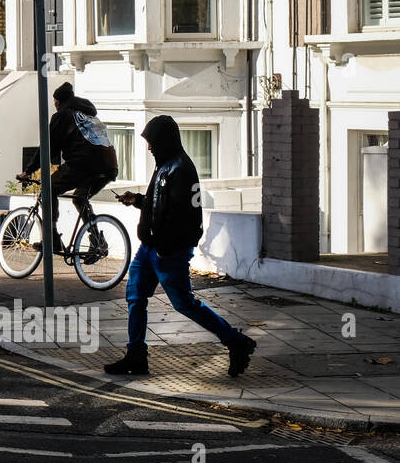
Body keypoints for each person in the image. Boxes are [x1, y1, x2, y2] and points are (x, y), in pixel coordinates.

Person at [106, 115, 257, 377]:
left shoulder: (182, 169)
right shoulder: (164, 165)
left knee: (184, 304)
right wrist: (138, 200)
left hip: (167, 252)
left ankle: (236, 341)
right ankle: (136, 355)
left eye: (152, 142)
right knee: (135, 297)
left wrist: (168, 248)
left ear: (164, 140)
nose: (150, 147)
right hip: (149, 248)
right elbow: (161, 205)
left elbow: (188, 216)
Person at [15, 82, 118, 251]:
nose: (55, 106)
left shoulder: (63, 115)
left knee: (48, 190)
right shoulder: (88, 115)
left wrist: (29, 170)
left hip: (83, 163)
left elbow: (48, 146)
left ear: (59, 102)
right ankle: (97, 241)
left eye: (55, 103)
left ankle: (52, 239)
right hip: (109, 166)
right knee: (79, 198)